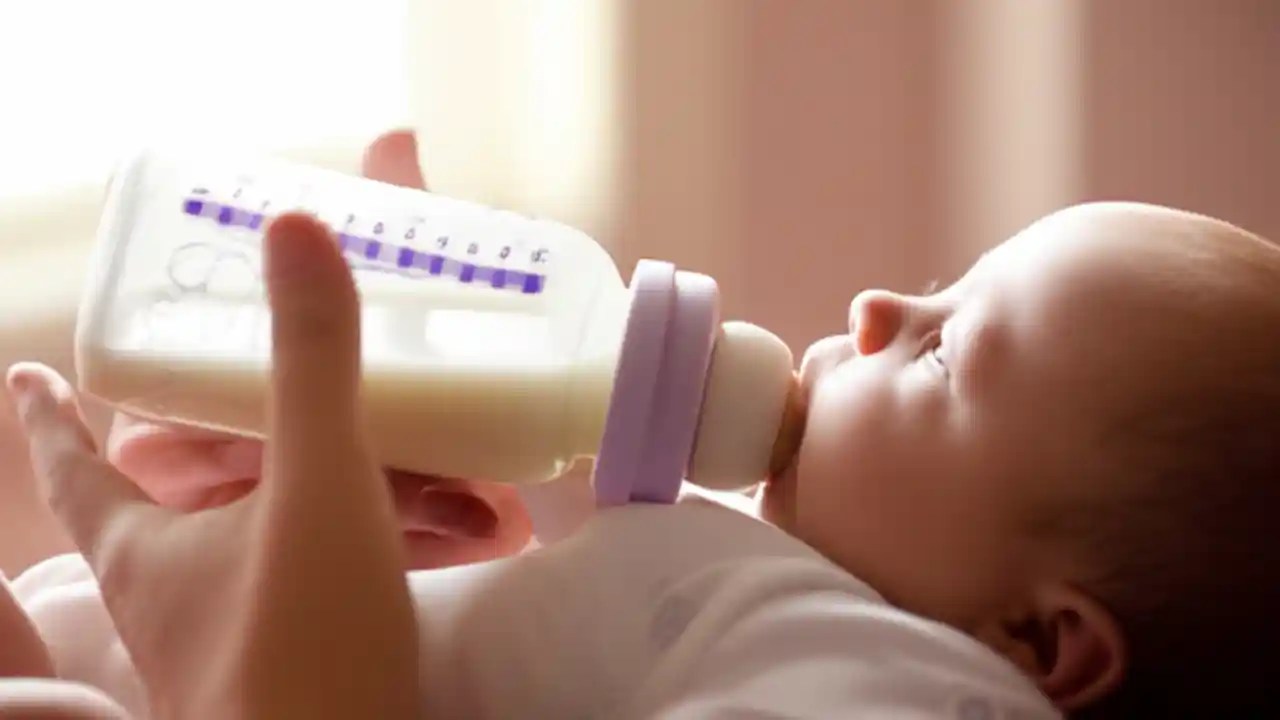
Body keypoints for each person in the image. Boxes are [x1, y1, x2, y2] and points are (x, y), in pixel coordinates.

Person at [5, 130, 1279, 718]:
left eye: (947, 350)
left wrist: (300, 651)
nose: (880, 303)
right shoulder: (778, 583)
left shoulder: (904, 694)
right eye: (939, 277)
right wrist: (434, 349)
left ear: (1042, 640)